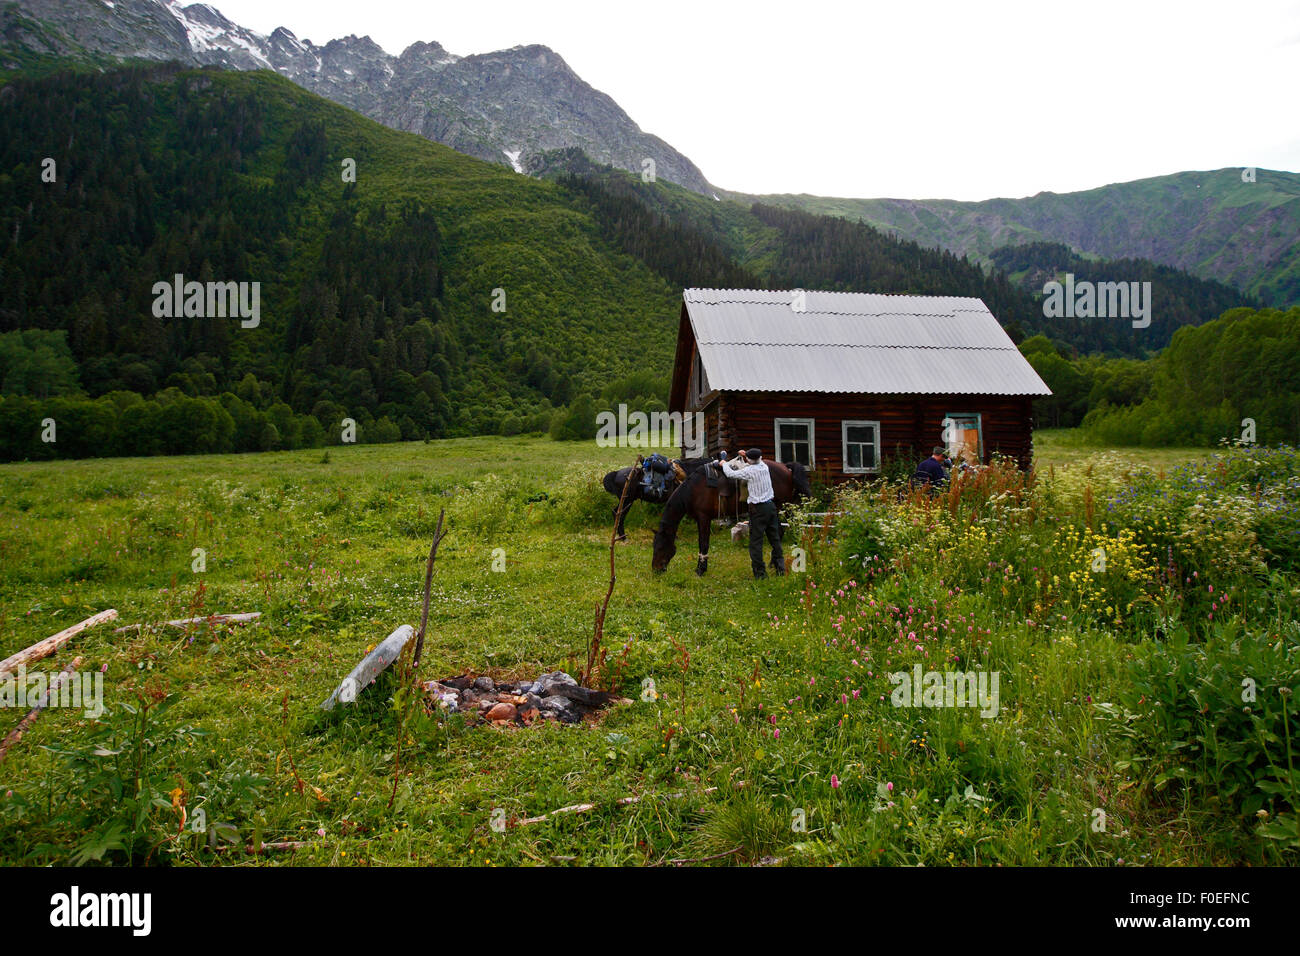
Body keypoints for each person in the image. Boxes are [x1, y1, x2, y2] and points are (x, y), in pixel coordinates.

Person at [720, 447, 785, 578]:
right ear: (760, 458)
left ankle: (760, 574)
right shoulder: (764, 466)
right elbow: (755, 461)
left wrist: (724, 464)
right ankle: (780, 568)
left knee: (756, 542)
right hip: (771, 507)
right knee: (775, 539)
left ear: (749, 460)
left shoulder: (749, 471)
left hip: (758, 510)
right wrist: (746, 456)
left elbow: (731, 474)